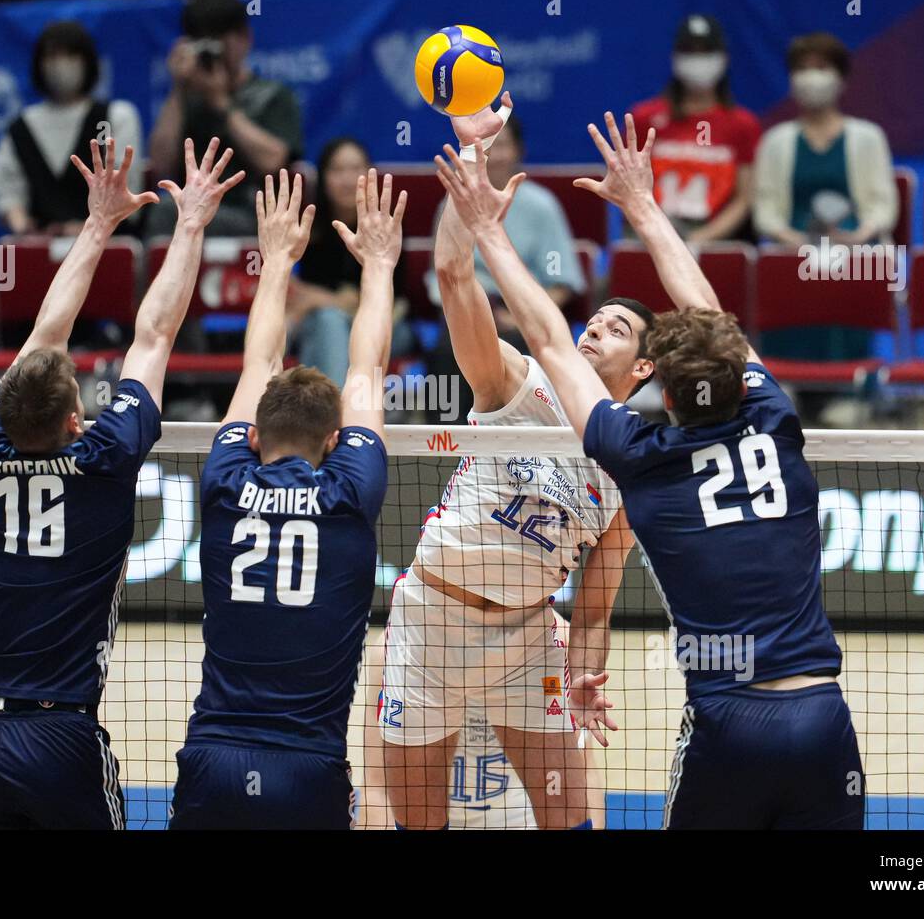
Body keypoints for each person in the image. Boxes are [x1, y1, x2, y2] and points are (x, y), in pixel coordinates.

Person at [436, 111, 865, 828]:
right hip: (824, 715)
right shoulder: (774, 418)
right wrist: (642, 204)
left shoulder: (640, 460)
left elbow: (547, 336)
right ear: (740, 374)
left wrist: (487, 229)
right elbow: (709, 311)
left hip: (729, 723)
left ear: (658, 388)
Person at [0, 136, 244, 829]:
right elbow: (154, 336)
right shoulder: (105, 457)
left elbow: (43, 339)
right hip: (63, 738)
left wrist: (95, 224)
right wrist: (193, 223)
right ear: (76, 418)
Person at [380, 95, 640, 831]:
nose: (596, 330)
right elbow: (456, 280)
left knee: (570, 821)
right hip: (432, 619)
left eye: (617, 329)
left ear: (644, 368)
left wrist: (587, 670)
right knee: (417, 824)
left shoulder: (628, 464)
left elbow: (594, 603)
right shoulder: (518, 384)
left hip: (529, 639)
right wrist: (473, 170)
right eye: (594, 319)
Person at [168, 168, 405, 829]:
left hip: (213, 758)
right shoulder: (350, 491)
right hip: (309, 767)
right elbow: (367, 370)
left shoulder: (222, 481)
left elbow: (257, 364)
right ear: (333, 442)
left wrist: (274, 262)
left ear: (250, 435)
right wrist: (380, 266)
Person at [356, 608, 606, 829]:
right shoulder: (397, 646)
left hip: (525, 822)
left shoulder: (556, 638)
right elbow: (377, 788)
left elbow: (584, 772)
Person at [426, 108, 588, 423]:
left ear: (519, 151)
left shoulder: (542, 206)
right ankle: (447, 443)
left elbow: (561, 283)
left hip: (524, 316)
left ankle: (523, 441)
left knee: (517, 350)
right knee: (447, 351)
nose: (496, 155)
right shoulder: (452, 203)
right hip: (470, 310)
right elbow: (443, 276)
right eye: (489, 145)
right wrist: (480, 312)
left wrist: (519, 314)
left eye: (503, 145)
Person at [753, 31, 898, 367]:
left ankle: (851, 381)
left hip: (851, 249)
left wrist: (854, 238)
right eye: (802, 69)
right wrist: (797, 242)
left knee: (852, 267)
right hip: (792, 248)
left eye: (821, 67)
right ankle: (787, 378)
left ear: (841, 79)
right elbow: (765, 212)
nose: (811, 77)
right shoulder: (776, 141)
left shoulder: (868, 137)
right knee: (793, 270)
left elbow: (883, 206)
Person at [146, 0, 303, 238]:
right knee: (165, 212)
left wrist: (220, 102)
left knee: (172, 215)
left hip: (250, 211)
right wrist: (178, 88)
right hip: (190, 207)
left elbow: (274, 162)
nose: (213, 53)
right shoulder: (184, 100)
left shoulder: (272, 95)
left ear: (245, 38)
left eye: (219, 42)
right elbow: (161, 166)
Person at [0, 21, 144, 237]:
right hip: (41, 252)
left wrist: (83, 230)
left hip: (108, 247)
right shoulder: (22, 127)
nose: (60, 65)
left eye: (71, 55)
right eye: (51, 56)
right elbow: (6, 187)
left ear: (88, 62)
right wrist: (22, 225)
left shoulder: (115, 117)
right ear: (39, 64)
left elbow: (127, 188)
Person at [289, 137, 413, 388]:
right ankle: (344, 414)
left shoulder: (387, 225)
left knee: (330, 324)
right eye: (337, 170)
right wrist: (333, 302)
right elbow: (296, 294)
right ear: (323, 177)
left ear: (370, 174)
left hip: (389, 325)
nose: (347, 179)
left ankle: (328, 412)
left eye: (355, 169)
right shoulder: (309, 228)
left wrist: (322, 299)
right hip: (321, 327)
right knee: (328, 322)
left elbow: (382, 297)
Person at [628, 14, 760, 242]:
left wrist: (701, 239)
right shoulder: (645, 118)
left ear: (724, 58)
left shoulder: (742, 124)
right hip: (651, 235)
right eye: (690, 52)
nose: (698, 60)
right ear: (675, 58)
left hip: (716, 242)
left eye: (706, 52)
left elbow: (745, 198)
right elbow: (629, 186)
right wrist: (657, 234)